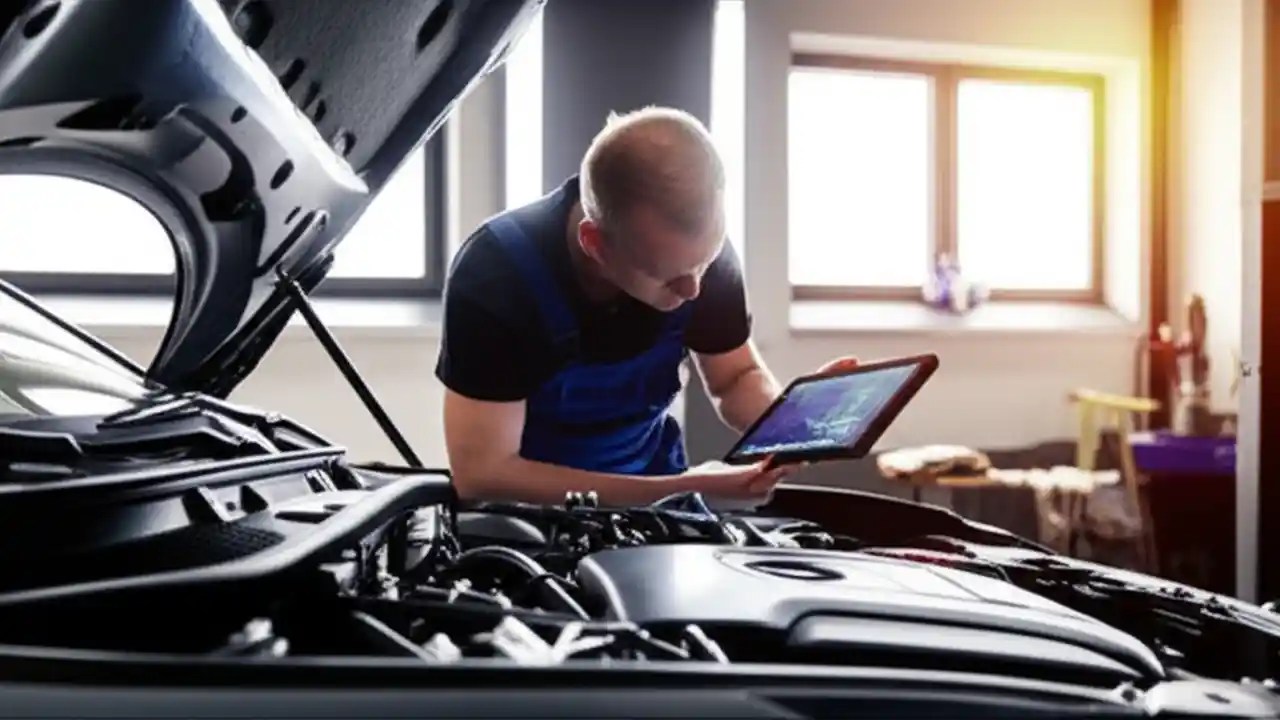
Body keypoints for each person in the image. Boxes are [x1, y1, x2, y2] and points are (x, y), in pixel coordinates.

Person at [435, 106, 857, 506]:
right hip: (530, 522)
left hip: (658, 493)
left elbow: (735, 377)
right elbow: (485, 475)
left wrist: (789, 425)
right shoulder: (496, 276)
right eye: (669, 277)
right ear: (595, 244)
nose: (694, 288)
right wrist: (680, 487)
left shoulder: (694, 256)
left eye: (704, 264)